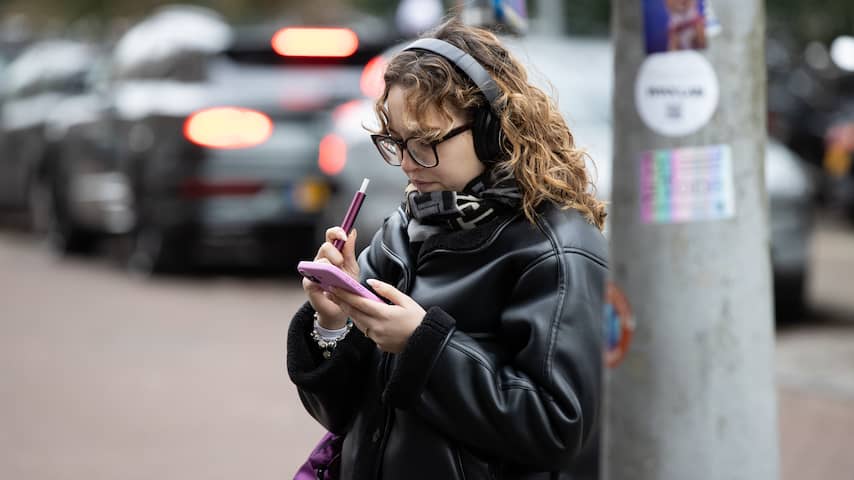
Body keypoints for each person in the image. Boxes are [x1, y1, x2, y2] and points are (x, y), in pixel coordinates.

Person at [287, 17, 608, 479]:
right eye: (396, 142)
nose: (409, 163)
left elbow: (559, 428)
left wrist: (424, 347)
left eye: (427, 143)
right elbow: (341, 416)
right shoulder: (401, 234)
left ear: (491, 129)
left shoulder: (557, 251)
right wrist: (333, 323)